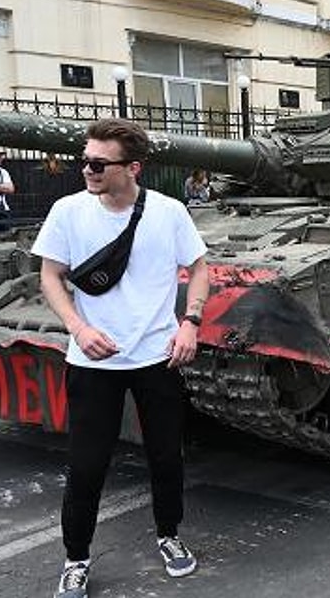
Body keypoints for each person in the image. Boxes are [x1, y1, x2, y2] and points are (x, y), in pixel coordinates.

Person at [31, 118, 210, 598]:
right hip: (93, 362)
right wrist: (79, 327)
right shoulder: (68, 211)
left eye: (98, 163)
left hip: (158, 356)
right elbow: (51, 276)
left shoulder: (169, 212)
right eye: (84, 160)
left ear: (133, 168)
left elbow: (198, 269)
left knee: (165, 457)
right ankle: (76, 559)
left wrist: (190, 321)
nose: (87, 170)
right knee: (87, 465)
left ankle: (169, 535)